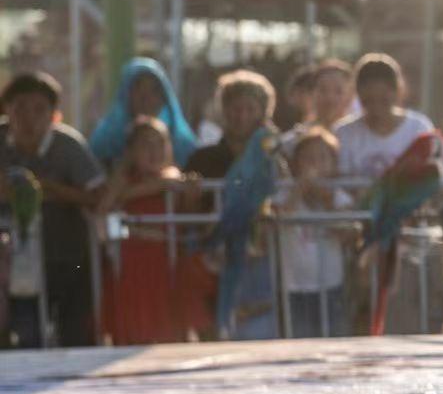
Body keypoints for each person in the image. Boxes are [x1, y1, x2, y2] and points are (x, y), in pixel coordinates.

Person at [1, 72, 106, 348]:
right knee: (24, 337)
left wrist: (48, 189)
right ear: (6, 110)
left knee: (75, 335)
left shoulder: (68, 145)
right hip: (13, 262)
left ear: (54, 114)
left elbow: (98, 196)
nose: (29, 118)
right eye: (20, 108)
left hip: (68, 255)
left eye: (39, 109)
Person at [185, 70, 283, 341]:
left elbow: (282, 194)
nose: (241, 116)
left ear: (263, 112)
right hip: (212, 258)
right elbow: (188, 209)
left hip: (258, 259)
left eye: (250, 109)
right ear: (224, 110)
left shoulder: (273, 158)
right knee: (212, 335)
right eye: (235, 108)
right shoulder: (202, 158)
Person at [98, 117, 200, 344]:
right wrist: (154, 187)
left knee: (169, 327)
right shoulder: (123, 178)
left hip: (166, 260)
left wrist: (191, 194)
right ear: (131, 152)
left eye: (160, 143)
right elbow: (106, 205)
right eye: (146, 144)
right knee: (133, 326)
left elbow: (187, 216)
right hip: (133, 260)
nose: (154, 151)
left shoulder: (174, 177)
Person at [278, 127, 353, 338]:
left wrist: (326, 199)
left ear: (333, 164)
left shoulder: (339, 196)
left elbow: (345, 232)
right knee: (299, 340)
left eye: (321, 158)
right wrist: (299, 189)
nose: (314, 164)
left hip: (330, 285)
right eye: (307, 158)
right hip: (294, 287)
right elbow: (280, 217)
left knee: (333, 339)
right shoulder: (285, 193)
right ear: (296, 164)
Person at [90, 57, 198, 171]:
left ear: (164, 97)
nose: (146, 97)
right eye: (138, 89)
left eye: (154, 90)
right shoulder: (105, 141)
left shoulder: (182, 143)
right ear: (125, 95)